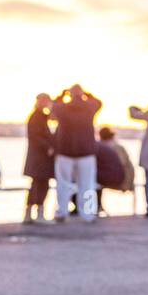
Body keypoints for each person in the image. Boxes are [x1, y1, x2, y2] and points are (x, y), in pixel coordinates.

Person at [50, 84, 102, 222]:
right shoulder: (89, 107)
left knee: (63, 184)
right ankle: (89, 214)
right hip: (86, 153)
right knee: (88, 184)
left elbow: (53, 105)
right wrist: (87, 94)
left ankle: (62, 212)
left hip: (65, 152)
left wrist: (62, 95)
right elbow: (99, 102)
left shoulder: (62, 108)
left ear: (70, 94)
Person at [23, 93, 54, 224]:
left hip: (39, 159)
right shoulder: (36, 117)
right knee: (39, 185)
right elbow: (36, 137)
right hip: (39, 159)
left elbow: (54, 116)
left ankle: (31, 214)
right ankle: (35, 215)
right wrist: (48, 147)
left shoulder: (39, 116)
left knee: (38, 185)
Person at [95, 127, 135, 215]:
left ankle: (94, 208)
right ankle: (97, 206)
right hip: (122, 178)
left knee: (93, 180)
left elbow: (119, 166)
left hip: (119, 179)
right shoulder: (117, 147)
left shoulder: (105, 148)